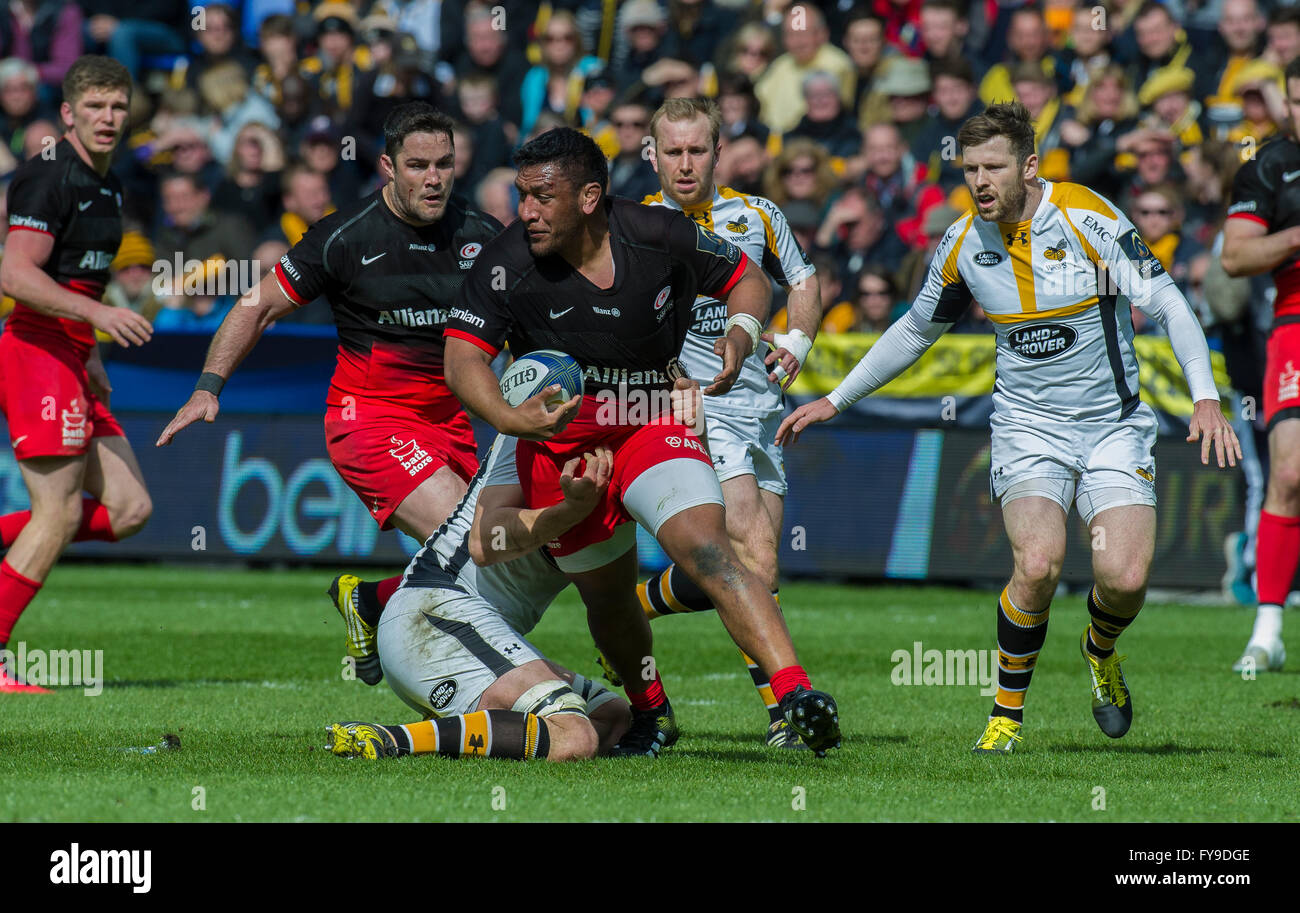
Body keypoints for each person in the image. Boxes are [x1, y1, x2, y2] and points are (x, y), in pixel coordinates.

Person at [779, 102, 1239, 753]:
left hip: (1111, 425)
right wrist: (836, 398)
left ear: (1028, 164)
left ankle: (1099, 648)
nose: (980, 181)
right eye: (969, 169)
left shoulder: (1087, 216)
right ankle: (1005, 714)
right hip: (1028, 429)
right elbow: (916, 328)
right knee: (1039, 561)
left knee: (1125, 577)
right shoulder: (964, 242)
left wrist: (1204, 397)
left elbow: (1165, 300)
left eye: (993, 166)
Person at [443, 127, 842, 757]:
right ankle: (649, 709)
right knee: (609, 602)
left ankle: (796, 696)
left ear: (589, 196)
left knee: (708, 548)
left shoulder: (657, 234)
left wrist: (738, 335)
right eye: (522, 196)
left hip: (652, 414)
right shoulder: (505, 262)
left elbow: (748, 278)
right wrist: (515, 422)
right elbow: (462, 360)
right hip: (562, 447)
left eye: (543, 197)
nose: (527, 213)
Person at [156, 103, 504, 687]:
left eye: (445, 163)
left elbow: (522, 325)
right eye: (418, 165)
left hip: (450, 424)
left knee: (500, 560)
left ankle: (370, 600)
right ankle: (481, 687)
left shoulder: (481, 235)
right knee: (474, 542)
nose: (435, 177)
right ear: (388, 167)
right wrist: (207, 387)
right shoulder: (345, 237)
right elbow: (258, 305)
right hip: (370, 422)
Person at [635, 97, 822, 749]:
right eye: (673, 151)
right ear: (651, 154)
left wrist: (798, 341)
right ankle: (785, 712)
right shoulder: (633, 227)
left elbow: (804, 280)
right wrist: (662, 375)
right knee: (756, 553)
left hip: (760, 406)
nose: (685, 165)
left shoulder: (757, 215)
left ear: (719, 153)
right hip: (695, 410)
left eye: (697, 151)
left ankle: (637, 604)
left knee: (757, 573)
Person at [329, 435, 633, 762]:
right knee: (575, 737)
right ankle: (389, 737)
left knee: (613, 717)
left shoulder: (600, 437)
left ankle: (467, 728)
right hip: (435, 615)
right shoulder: (532, 436)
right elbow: (486, 544)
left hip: (467, 625)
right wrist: (571, 510)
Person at [0, 56, 154, 692]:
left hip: (71, 354)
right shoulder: (45, 177)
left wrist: (89, 351)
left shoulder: (109, 183)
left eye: (117, 106)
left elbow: (75, 274)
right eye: (95, 106)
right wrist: (97, 316)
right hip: (36, 350)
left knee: (129, 509)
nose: (108, 118)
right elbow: (14, 274)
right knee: (57, 514)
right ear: (68, 112)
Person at [1220, 56, 1300, 673]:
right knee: (1290, 473)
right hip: (1295, 324)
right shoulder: (1269, 166)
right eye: (1295, 103)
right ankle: (1268, 627)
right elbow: (1235, 257)